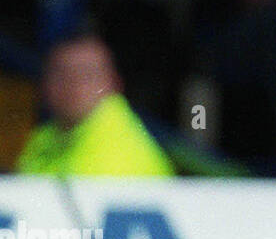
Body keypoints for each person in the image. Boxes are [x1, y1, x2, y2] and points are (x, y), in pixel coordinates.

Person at [17, 33, 174, 177]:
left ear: (114, 83)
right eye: (60, 74)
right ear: (43, 82)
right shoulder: (47, 135)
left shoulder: (119, 148)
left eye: (87, 75)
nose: (72, 83)